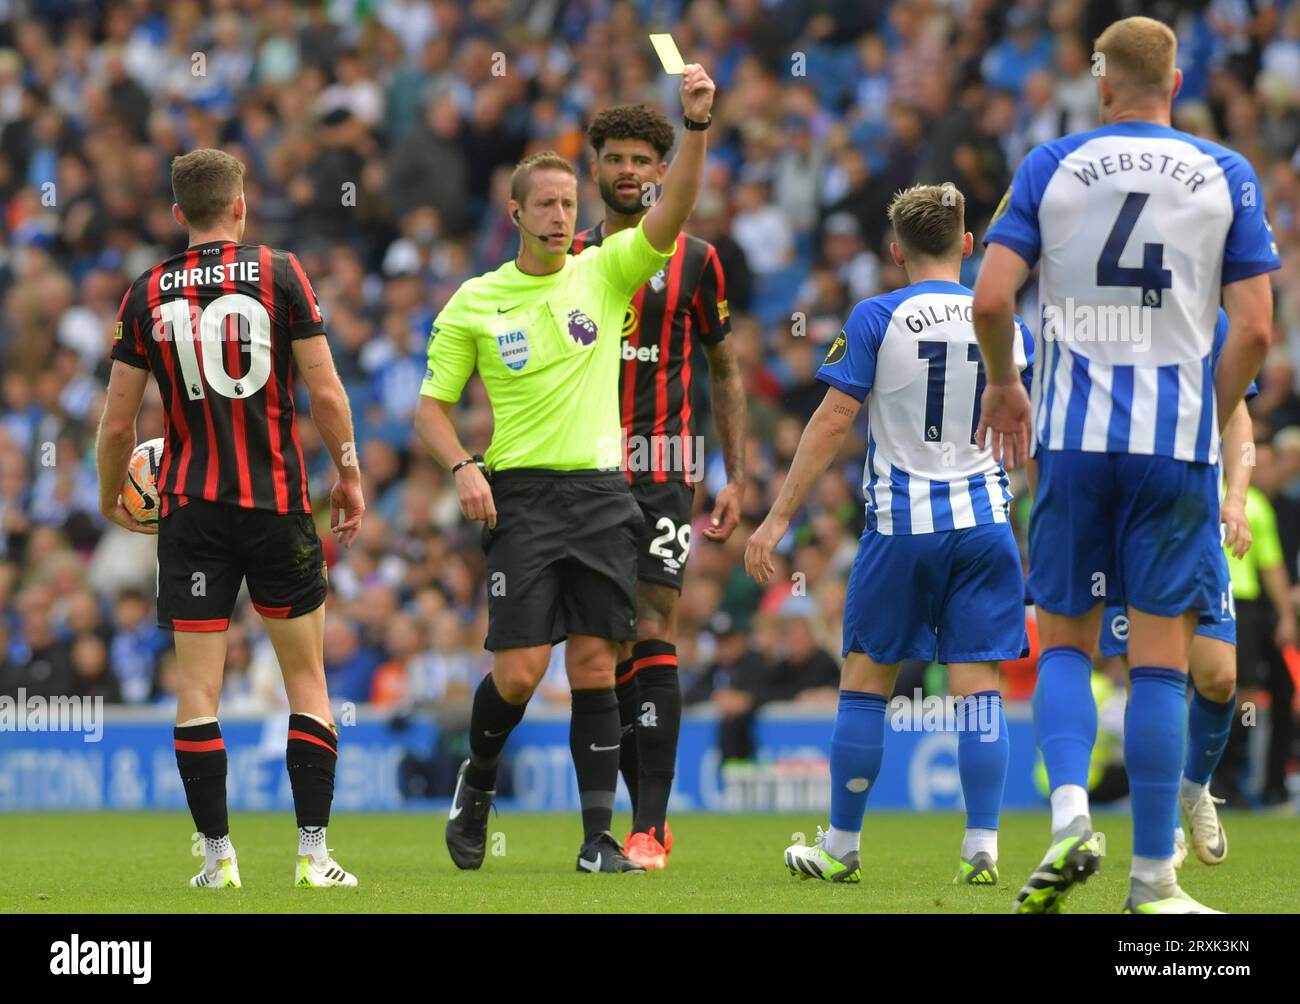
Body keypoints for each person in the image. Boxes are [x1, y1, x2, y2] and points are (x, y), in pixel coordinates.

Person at [974, 17, 1278, 914]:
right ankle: (1154, 884)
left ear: (1101, 81)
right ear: (1176, 81)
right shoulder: (1227, 174)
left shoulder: (1049, 164)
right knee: (1158, 665)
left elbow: (991, 297)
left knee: (1065, 642)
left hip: (1069, 443)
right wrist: (1203, 413)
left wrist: (1006, 388)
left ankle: (1071, 815)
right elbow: (1257, 329)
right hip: (1172, 453)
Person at [414, 65, 716, 874]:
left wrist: (694, 130)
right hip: (518, 497)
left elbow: (676, 210)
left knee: (595, 664)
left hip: (601, 494)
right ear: (514, 213)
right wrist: (460, 468)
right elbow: (429, 409)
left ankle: (596, 840)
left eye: (567, 205)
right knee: (516, 676)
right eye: (543, 205)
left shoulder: (605, 270)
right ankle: (477, 780)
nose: (558, 216)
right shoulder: (476, 300)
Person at [746, 183, 1033, 886]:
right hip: (984, 524)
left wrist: (780, 514)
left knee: (866, 681)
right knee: (978, 685)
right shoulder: (1001, 321)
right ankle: (984, 845)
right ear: (967, 245)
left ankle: (842, 846)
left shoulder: (876, 316)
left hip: (902, 527)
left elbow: (835, 419)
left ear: (895, 250)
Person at [96, 148, 366, 890]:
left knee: (196, 694)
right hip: (277, 504)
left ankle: (218, 862)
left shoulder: (144, 293)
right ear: (240, 207)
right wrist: (347, 472)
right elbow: (329, 394)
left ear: (177, 213)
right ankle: (314, 855)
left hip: (191, 513)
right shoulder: (280, 272)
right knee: (307, 682)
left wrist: (109, 493)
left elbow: (118, 425)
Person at [569, 102, 748, 869]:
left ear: (663, 170)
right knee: (600, 653)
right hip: (583, 469)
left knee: (655, 625)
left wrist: (737, 475)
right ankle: (645, 810)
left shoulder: (700, 261)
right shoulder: (568, 258)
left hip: (667, 467)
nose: (631, 172)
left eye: (645, 160)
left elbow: (725, 370)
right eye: (617, 158)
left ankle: (648, 826)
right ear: (596, 168)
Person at [1093, 309, 1257, 867]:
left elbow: (1235, 414)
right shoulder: (1103, 310)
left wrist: (1235, 499)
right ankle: (1161, 820)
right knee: (1150, 679)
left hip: (1195, 522)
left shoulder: (1209, 318)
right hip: (1127, 524)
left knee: (1219, 678)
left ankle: (1193, 786)